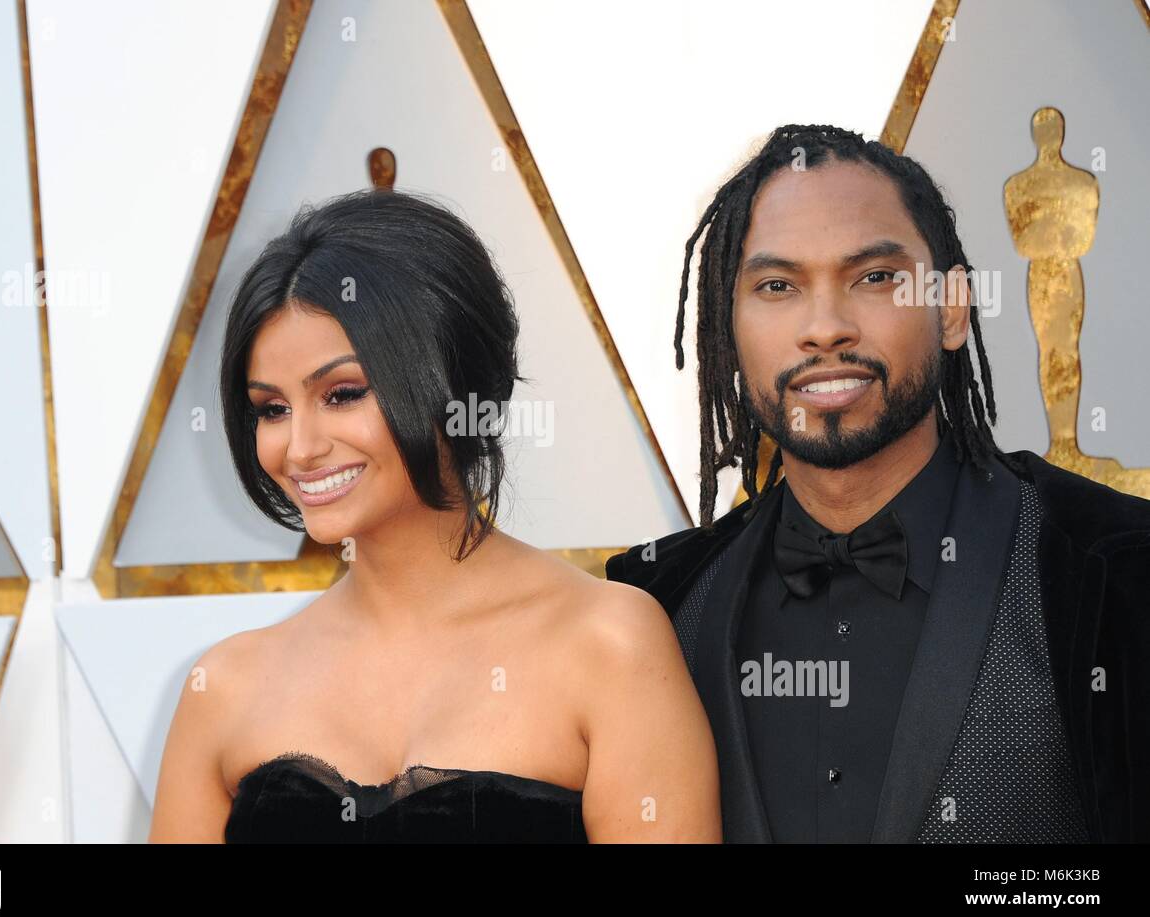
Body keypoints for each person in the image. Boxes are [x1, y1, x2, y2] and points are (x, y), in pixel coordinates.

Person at [607, 124, 1150, 843]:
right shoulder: (655, 610)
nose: (825, 327)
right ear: (726, 328)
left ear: (952, 308)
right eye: (777, 286)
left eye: (874, 278)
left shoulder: (1114, 571)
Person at [148, 188, 720, 843]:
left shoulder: (608, 646)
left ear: (452, 384)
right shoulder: (223, 687)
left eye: (342, 394)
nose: (299, 447)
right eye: (272, 408)